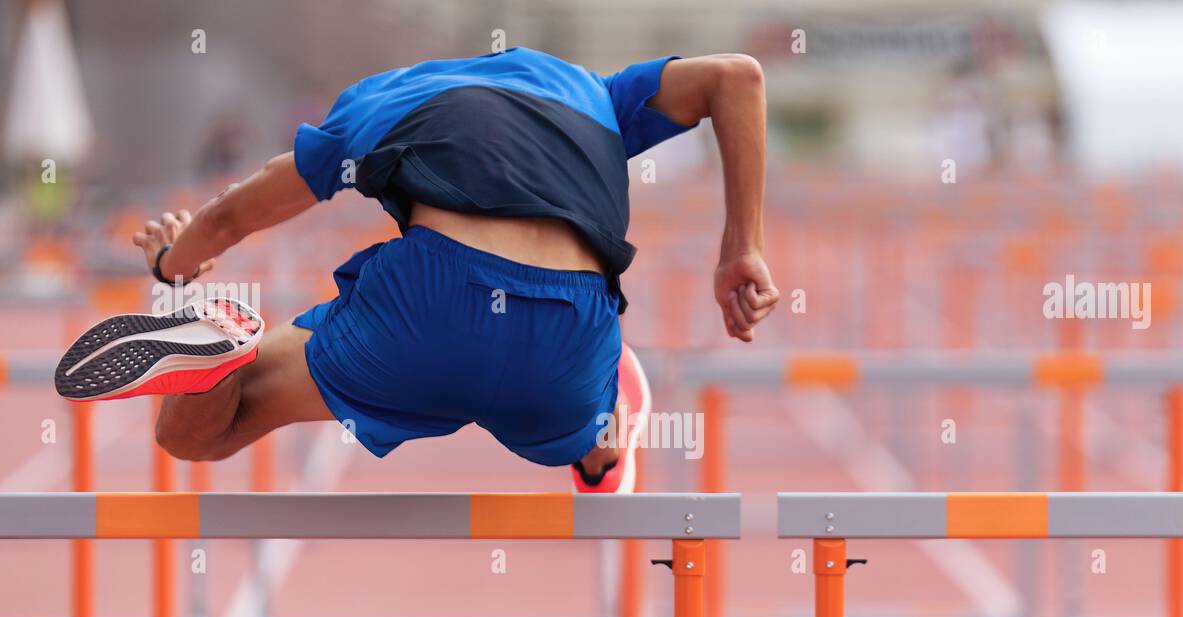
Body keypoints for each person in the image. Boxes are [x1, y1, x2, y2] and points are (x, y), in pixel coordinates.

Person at [56, 47, 779, 492]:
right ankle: (602, 444)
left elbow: (226, 219)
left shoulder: (378, 102)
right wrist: (739, 247)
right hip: (566, 333)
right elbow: (737, 78)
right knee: (590, 433)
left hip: (422, 314)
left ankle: (213, 357)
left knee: (195, 434)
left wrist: (173, 264)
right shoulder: (595, 91)